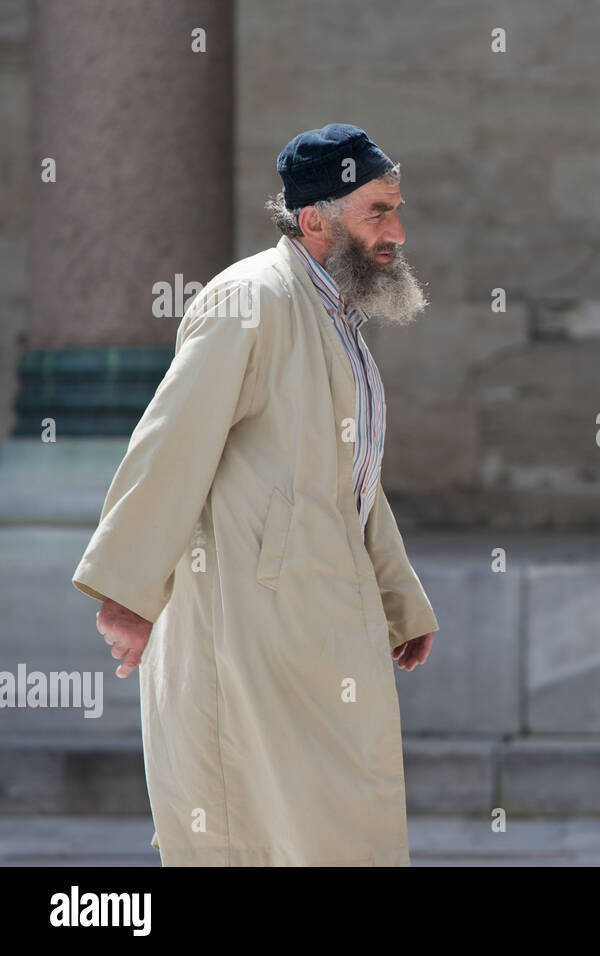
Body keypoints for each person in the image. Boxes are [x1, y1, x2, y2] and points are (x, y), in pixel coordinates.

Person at [72, 123, 439, 866]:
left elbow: (350, 477)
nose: (397, 230)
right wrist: (128, 592)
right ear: (315, 220)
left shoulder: (336, 320)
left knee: (338, 831)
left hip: (320, 620)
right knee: (263, 832)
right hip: (246, 622)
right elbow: (173, 443)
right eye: (378, 212)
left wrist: (398, 599)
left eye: (397, 209)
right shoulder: (251, 299)